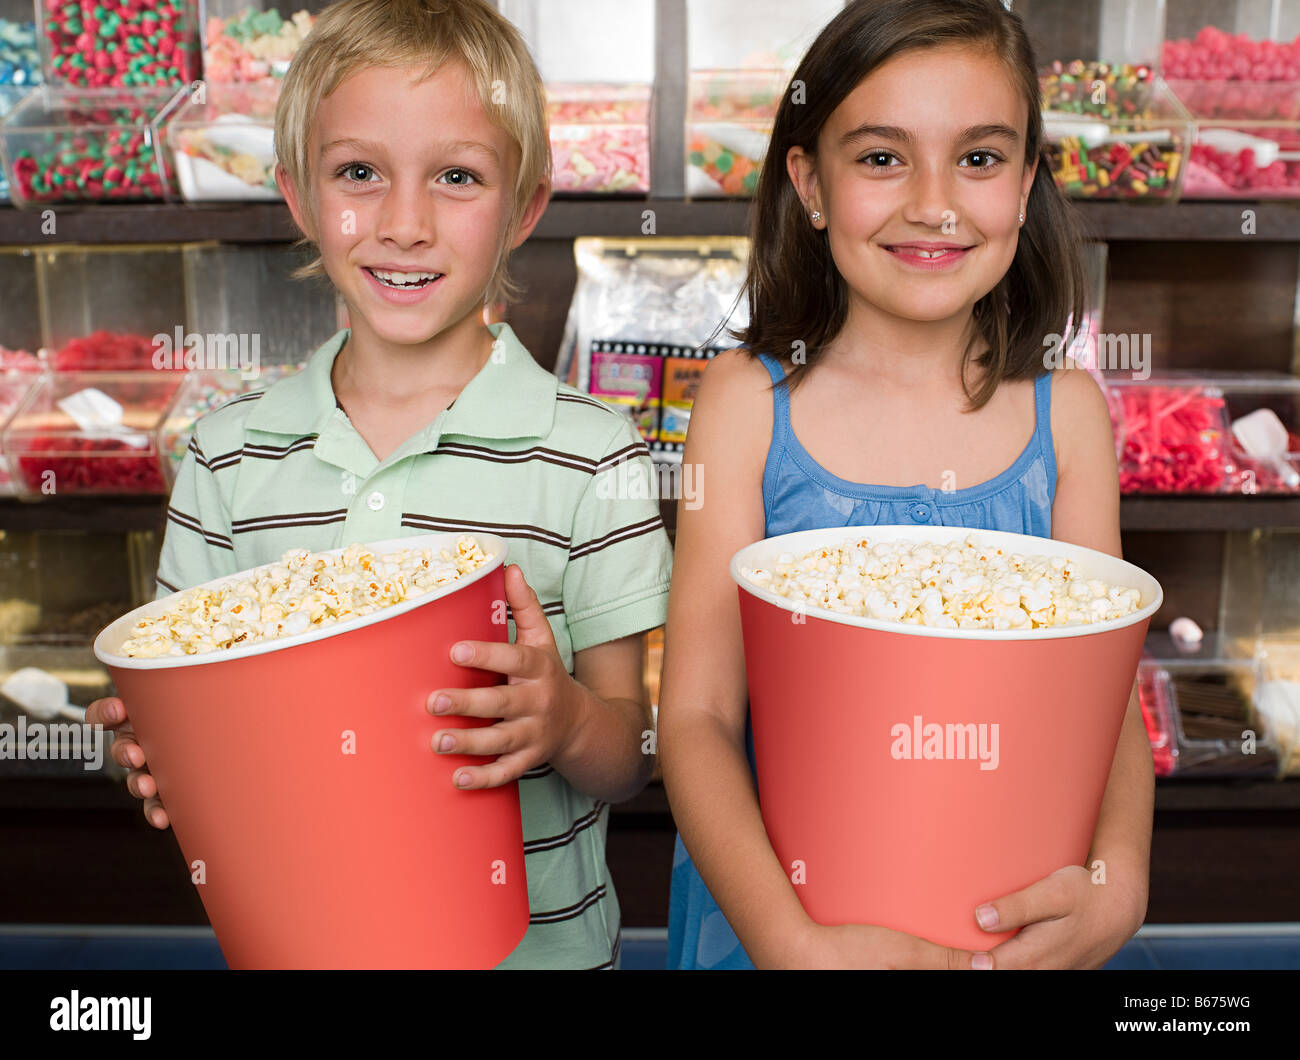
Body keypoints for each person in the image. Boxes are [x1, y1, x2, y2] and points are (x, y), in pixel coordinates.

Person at [85, 0, 672, 971]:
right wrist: (154, 751)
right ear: (300, 196)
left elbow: (630, 755)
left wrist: (562, 717)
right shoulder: (224, 460)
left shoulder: (591, 453)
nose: (405, 222)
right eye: (359, 172)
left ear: (525, 203)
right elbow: (186, 726)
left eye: (456, 176)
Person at [659, 0, 1152, 970]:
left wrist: (1119, 882)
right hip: (785, 919)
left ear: (1025, 183)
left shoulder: (1068, 414)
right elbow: (696, 716)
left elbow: (1108, 695)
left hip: (1010, 925)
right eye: (882, 157)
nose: (934, 202)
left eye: (978, 157)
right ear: (808, 181)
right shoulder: (744, 404)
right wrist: (787, 939)